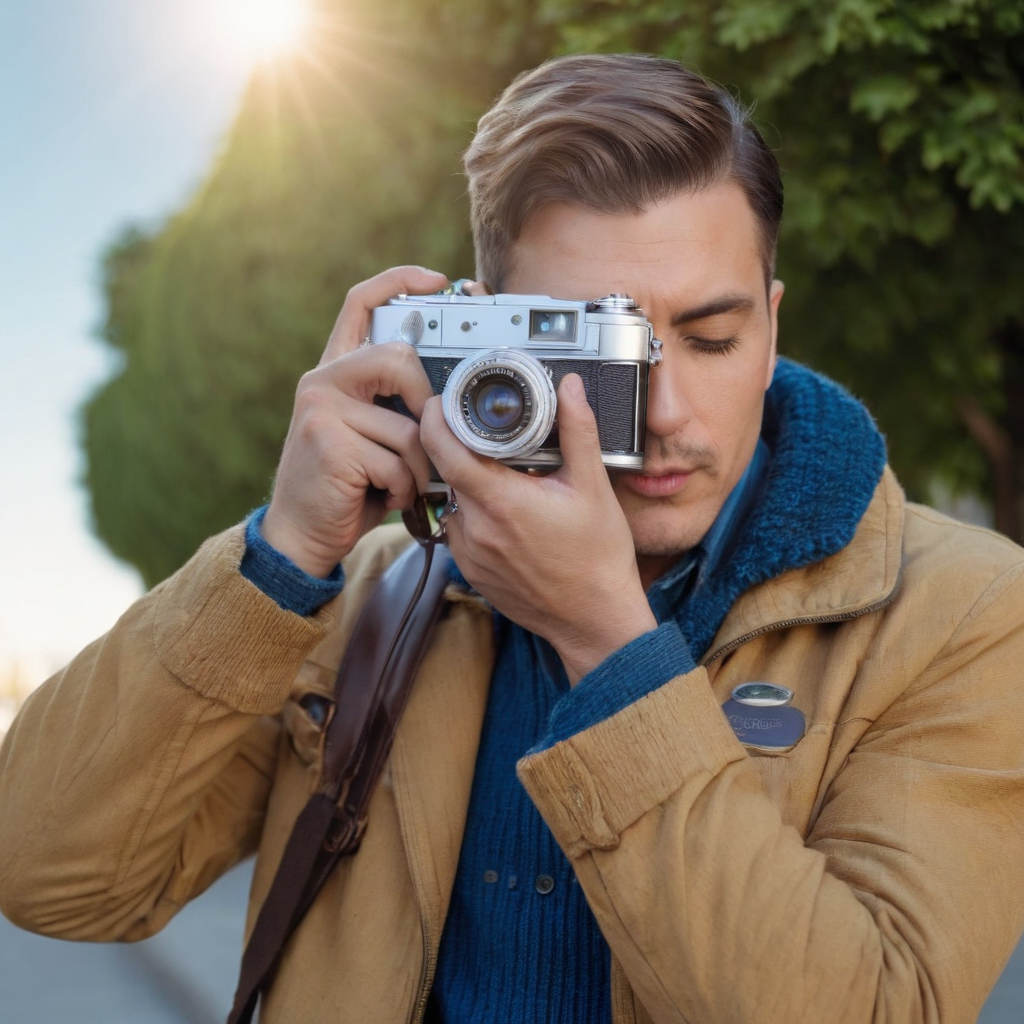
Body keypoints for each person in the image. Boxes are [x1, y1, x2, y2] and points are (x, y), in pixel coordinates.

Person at [2, 52, 1024, 1024]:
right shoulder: (370, 592)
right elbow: (47, 875)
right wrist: (278, 556)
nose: (663, 413)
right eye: (596, 350)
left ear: (770, 324)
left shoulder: (968, 610)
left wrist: (608, 645)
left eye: (711, 337)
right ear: (495, 336)